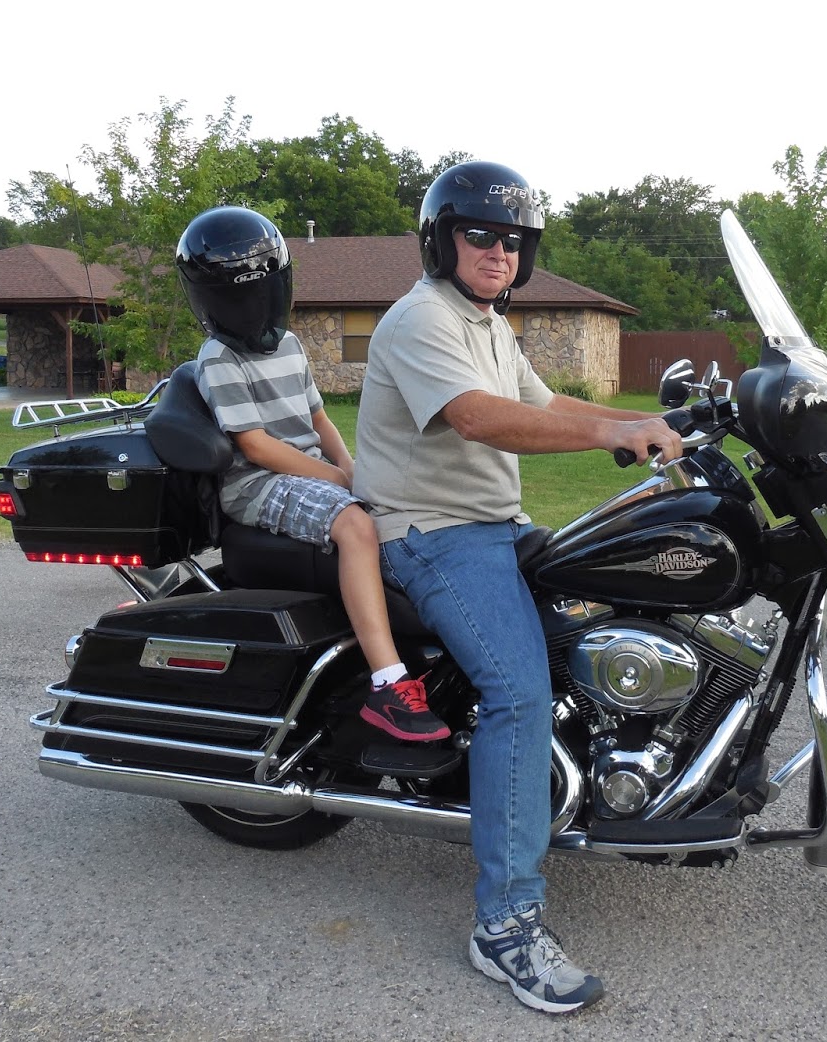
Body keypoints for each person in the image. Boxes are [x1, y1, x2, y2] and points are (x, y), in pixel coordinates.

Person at [354, 161, 682, 1014]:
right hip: (432, 532)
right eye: (480, 233)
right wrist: (613, 433)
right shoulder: (423, 316)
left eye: (513, 238)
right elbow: (481, 418)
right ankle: (505, 923)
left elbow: (549, 401)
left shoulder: (489, 322)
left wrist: (645, 426)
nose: (498, 250)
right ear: (442, 239)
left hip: (495, 526)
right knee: (518, 695)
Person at [177, 205, 449, 743]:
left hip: (308, 474)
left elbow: (319, 418)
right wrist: (338, 482)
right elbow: (254, 447)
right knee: (355, 526)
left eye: (261, 293)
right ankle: (388, 682)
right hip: (254, 486)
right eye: (238, 297)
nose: (254, 308)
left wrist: (352, 468)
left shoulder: (291, 344)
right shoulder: (218, 358)